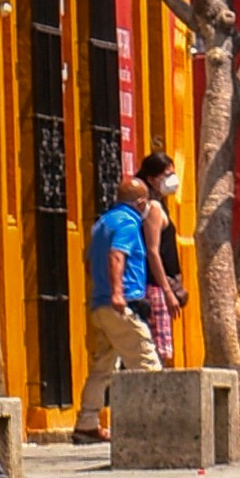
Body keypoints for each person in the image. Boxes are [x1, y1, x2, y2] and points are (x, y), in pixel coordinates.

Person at [73, 172, 157, 437]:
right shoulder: (128, 224)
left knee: (103, 366)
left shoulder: (103, 223)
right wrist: (118, 293)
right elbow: (116, 256)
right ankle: (159, 424)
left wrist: (102, 289)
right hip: (120, 305)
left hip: (100, 305)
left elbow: (88, 264)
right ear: (141, 202)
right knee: (146, 360)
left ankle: (86, 423)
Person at [138, 152, 186, 366]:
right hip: (157, 287)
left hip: (163, 284)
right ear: (151, 179)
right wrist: (167, 290)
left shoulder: (160, 204)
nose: (171, 180)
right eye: (166, 175)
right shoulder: (154, 208)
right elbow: (153, 250)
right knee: (160, 350)